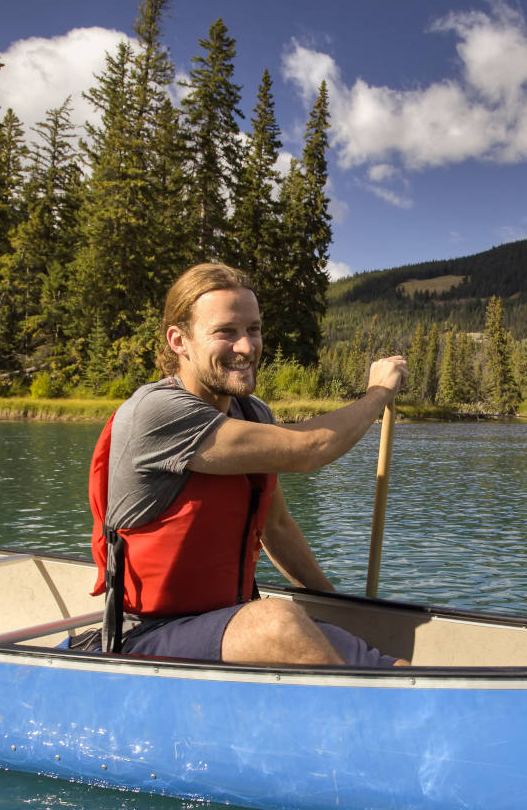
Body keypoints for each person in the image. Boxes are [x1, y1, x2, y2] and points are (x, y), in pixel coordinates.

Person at [87, 262, 408, 665]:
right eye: (226, 332)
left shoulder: (252, 412)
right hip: (147, 635)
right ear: (179, 341)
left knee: (393, 664)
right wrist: (377, 393)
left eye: (252, 329)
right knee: (277, 622)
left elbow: (276, 526)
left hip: (225, 622)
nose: (246, 346)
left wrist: (344, 609)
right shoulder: (159, 412)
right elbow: (309, 448)